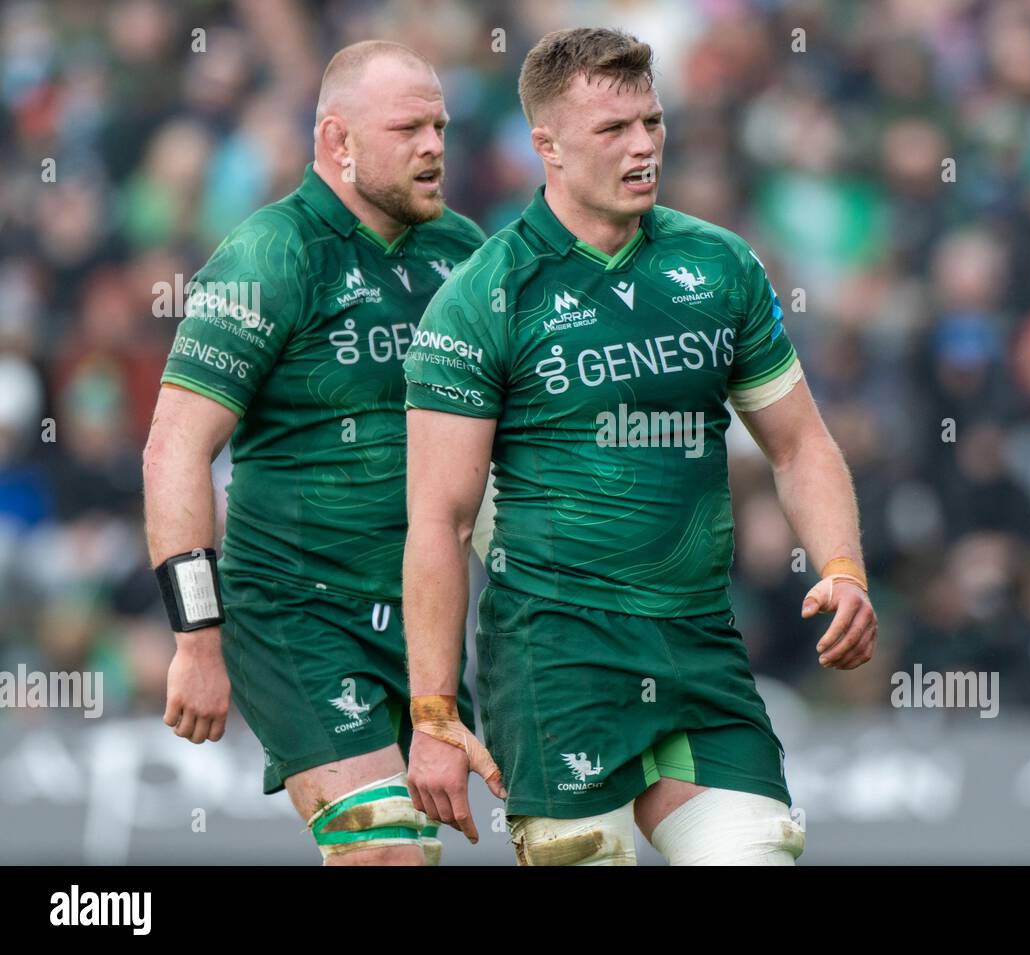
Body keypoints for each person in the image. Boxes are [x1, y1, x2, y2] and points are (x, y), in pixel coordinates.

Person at [400, 27, 877, 865]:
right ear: (545, 146)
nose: (644, 146)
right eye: (612, 131)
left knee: (761, 850)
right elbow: (439, 522)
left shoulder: (719, 266)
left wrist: (841, 566)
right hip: (558, 653)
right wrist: (434, 711)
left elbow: (800, 445)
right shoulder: (484, 298)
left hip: (698, 645)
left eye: (652, 122)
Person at [142, 40, 486, 865]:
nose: (435, 145)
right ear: (338, 141)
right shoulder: (272, 255)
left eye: (439, 125)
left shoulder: (464, 255)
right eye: (408, 128)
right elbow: (173, 451)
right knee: (384, 849)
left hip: (424, 616)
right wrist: (196, 640)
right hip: (296, 607)